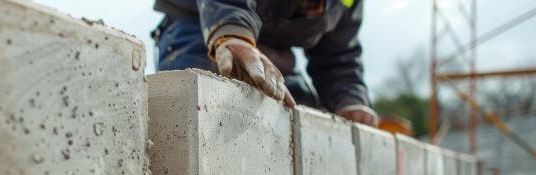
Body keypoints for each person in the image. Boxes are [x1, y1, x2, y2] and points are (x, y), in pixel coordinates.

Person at [152, 0, 378, 126]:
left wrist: (349, 100)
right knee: (199, 106)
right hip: (201, 25)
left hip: (271, 50)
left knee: (301, 118)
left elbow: (338, 57)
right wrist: (232, 33)